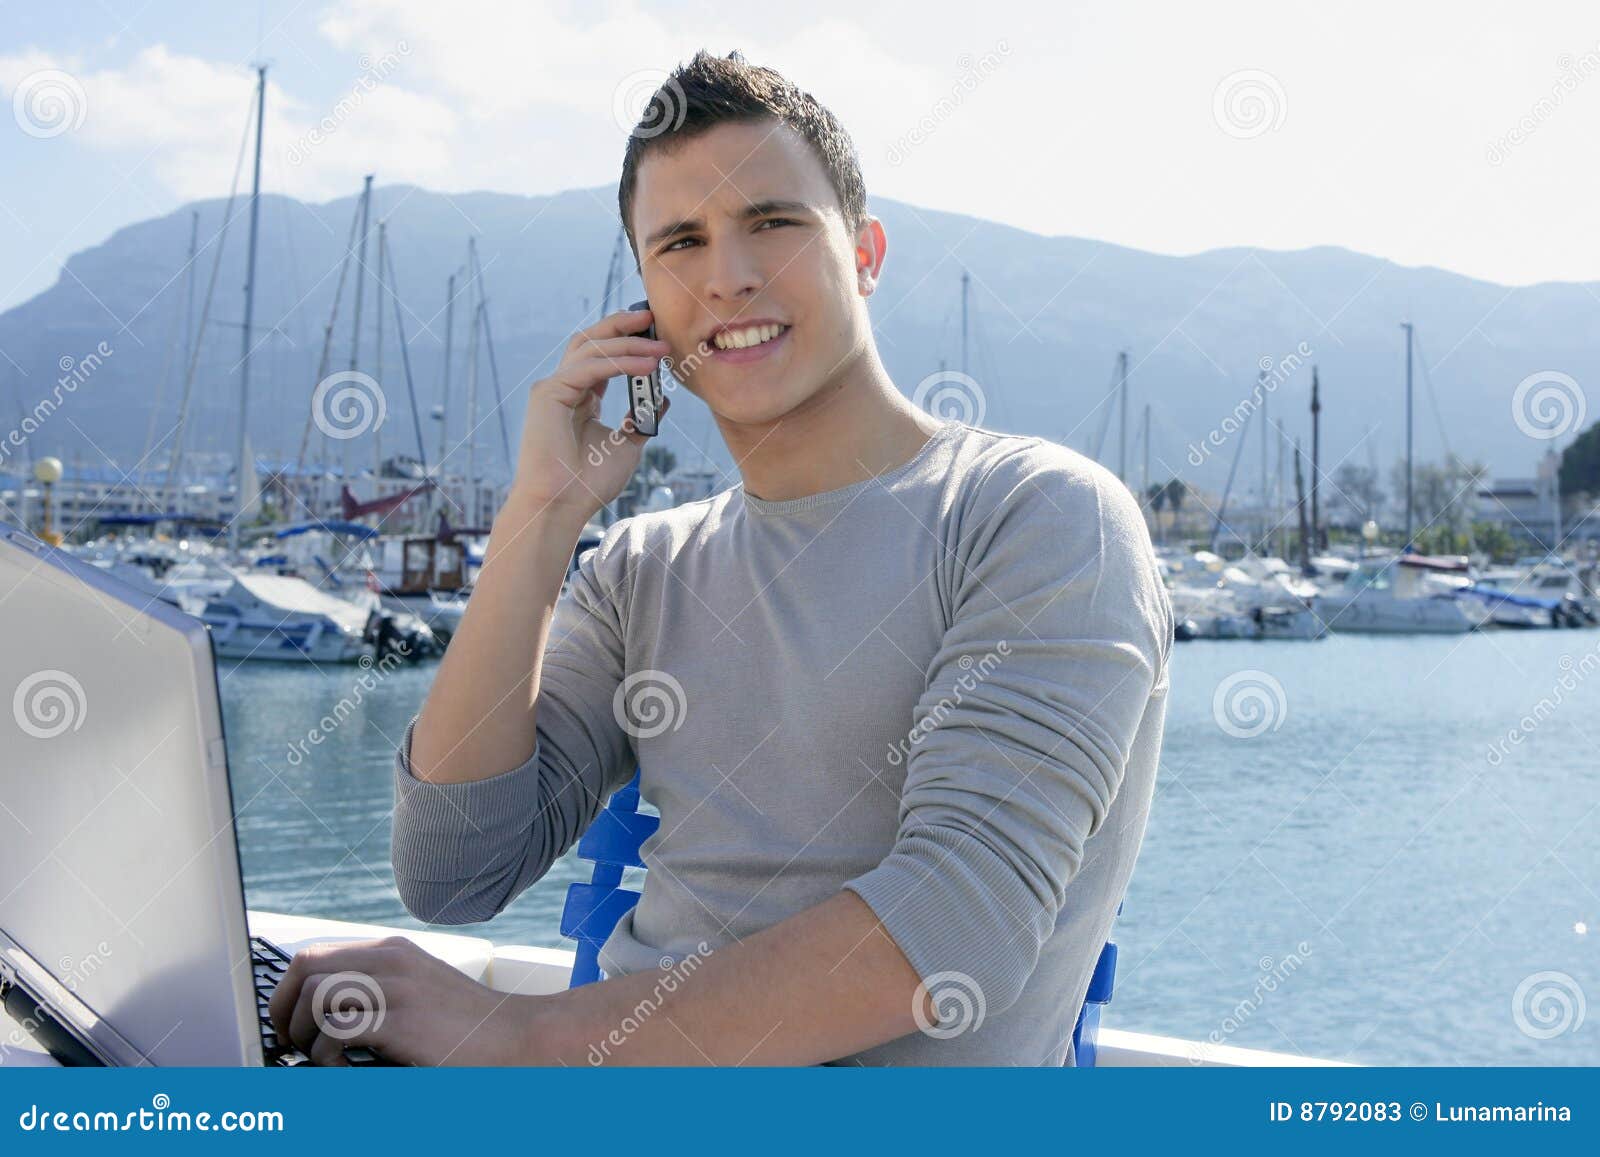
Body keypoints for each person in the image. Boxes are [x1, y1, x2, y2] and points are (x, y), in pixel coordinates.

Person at [269, 48, 1172, 1066]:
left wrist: (517, 1035)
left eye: (773, 223)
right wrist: (541, 516)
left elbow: (954, 929)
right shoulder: (641, 567)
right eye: (682, 242)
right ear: (646, 307)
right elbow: (451, 872)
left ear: (864, 253)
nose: (729, 276)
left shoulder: (1038, 515)